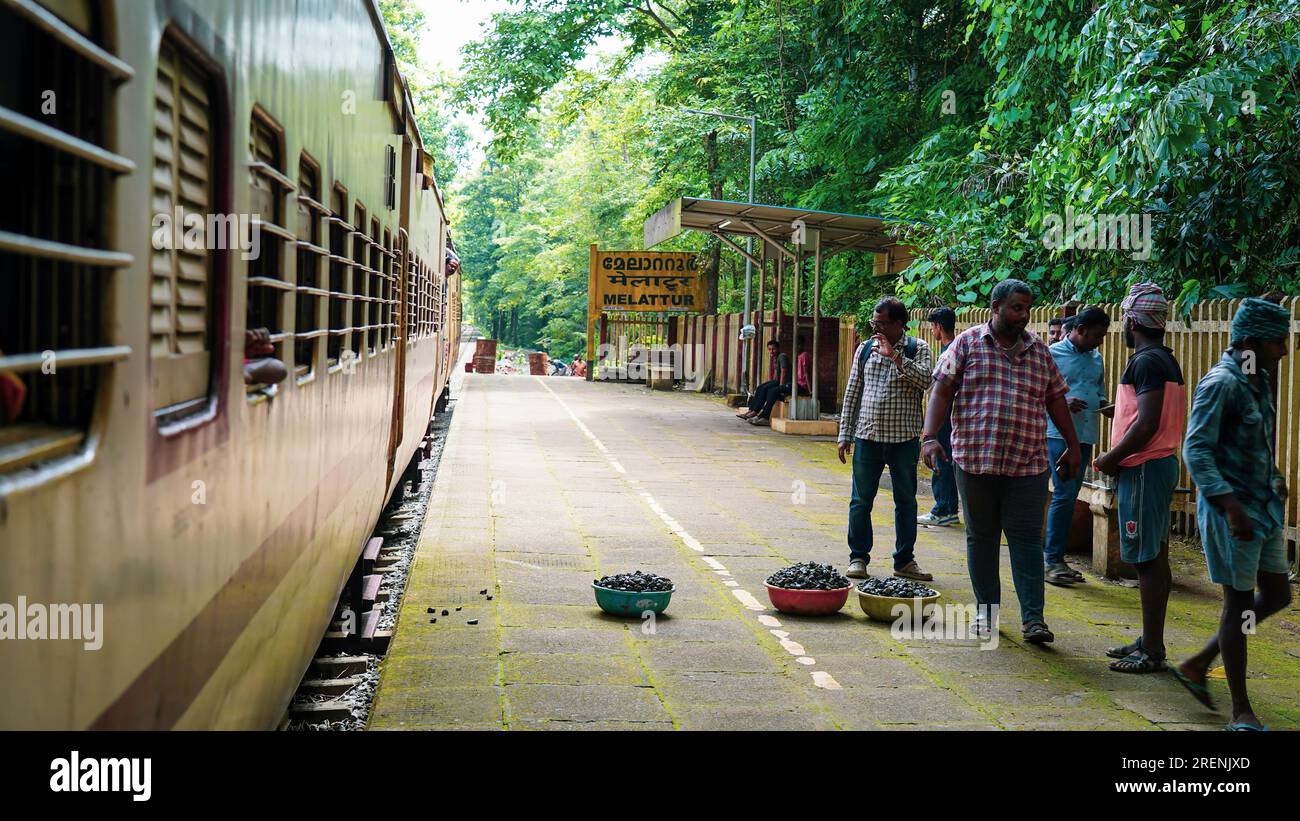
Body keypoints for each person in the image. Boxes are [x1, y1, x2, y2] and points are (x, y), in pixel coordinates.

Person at [921, 279, 1081, 644]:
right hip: (975, 461)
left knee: (1026, 540)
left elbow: (1056, 399)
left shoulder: (1040, 351)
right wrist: (930, 438)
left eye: (1027, 308)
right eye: (1016, 308)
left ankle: (1033, 619)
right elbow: (942, 390)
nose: (1023, 315)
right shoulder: (967, 344)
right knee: (982, 537)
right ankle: (986, 612)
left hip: (1028, 464)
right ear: (995, 307)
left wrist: (1073, 445)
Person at [1174, 298, 1293, 730]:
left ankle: (1199, 662)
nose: (1284, 350)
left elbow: (1253, 443)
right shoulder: (1221, 383)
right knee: (1239, 606)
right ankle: (1241, 709)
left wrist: (1275, 478)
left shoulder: (1256, 379)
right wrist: (1228, 504)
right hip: (1234, 516)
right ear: (1248, 342)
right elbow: (1197, 448)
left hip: (1262, 511)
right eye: (1276, 341)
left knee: (1278, 595)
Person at [1092, 284, 1186, 673]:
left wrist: (1110, 458)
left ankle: (1152, 652)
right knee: (1155, 554)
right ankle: (1150, 640)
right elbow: (1150, 412)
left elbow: (1148, 424)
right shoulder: (1164, 358)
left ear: (1133, 320)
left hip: (1144, 466)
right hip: (1156, 464)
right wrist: (1121, 410)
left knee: (1146, 559)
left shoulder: (1146, 361)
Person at [838, 298, 934, 581]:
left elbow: (927, 381)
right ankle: (858, 558)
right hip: (867, 436)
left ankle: (904, 560)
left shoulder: (919, 349)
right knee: (860, 501)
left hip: (903, 439)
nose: (875, 328)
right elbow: (853, 391)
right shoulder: (864, 349)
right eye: (873, 322)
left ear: (898, 324)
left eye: (880, 324)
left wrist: (895, 356)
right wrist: (845, 433)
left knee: (906, 501)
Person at [1044, 307, 1112, 585]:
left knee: (1069, 496)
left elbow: (1098, 392)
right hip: (1058, 434)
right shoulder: (1052, 354)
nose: (1101, 342)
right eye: (1097, 335)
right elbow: (1037, 393)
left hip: (1085, 434)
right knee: (1063, 493)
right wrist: (1063, 403)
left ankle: (1057, 559)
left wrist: (1106, 405)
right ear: (1080, 330)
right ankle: (1052, 562)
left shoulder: (1097, 359)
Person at [918, 307, 960, 527]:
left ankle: (943, 508)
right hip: (951, 416)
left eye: (932, 326)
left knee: (940, 460)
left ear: (938, 327)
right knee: (947, 461)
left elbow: (939, 390)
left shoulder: (949, 353)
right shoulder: (958, 349)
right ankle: (948, 507)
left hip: (946, 417)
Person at [749, 335, 810, 427]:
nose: (797, 347)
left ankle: (764, 417)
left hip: (801, 386)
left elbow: (806, 373)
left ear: (802, 345)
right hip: (794, 384)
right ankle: (761, 415)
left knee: (773, 391)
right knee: (771, 391)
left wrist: (809, 390)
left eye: (799, 345)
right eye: (795, 345)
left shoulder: (804, 355)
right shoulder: (797, 356)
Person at [737, 338, 790, 421]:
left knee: (765, 388)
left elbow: (784, 370)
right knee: (760, 387)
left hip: (785, 382)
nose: (771, 351)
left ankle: (755, 411)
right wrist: (771, 382)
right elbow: (776, 373)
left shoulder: (782, 356)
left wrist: (781, 386)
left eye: (774, 349)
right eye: (769, 349)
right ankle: (751, 410)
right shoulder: (776, 358)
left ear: (778, 349)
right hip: (777, 380)